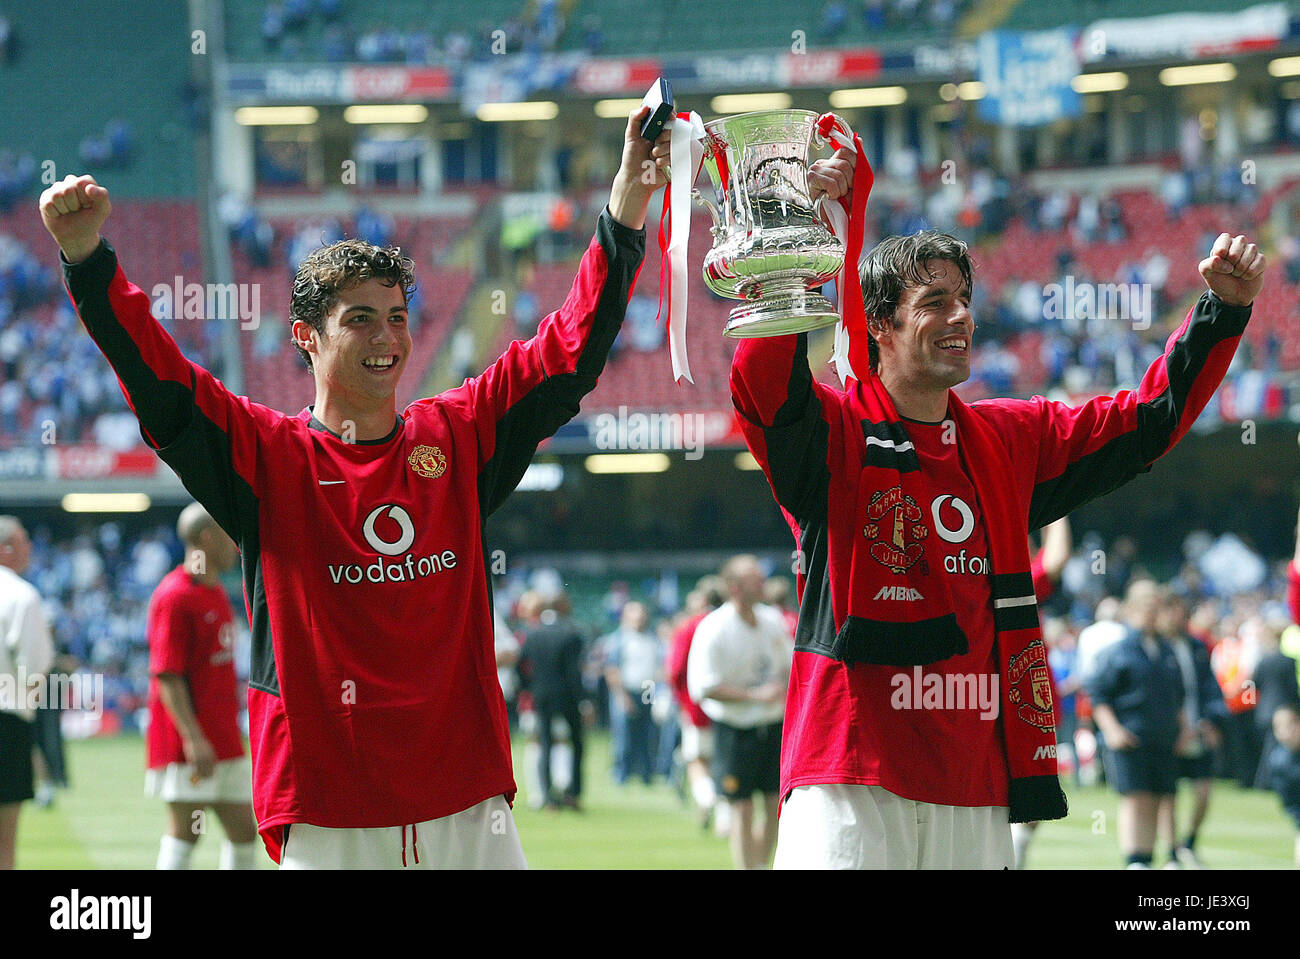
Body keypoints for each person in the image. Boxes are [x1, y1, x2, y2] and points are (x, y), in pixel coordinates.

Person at [42, 108, 670, 868]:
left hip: (468, 802)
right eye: (361, 320)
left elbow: (567, 350)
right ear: (306, 336)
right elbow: (165, 386)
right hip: (330, 810)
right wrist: (88, 259)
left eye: (398, 318)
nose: (388, 340)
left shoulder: (458, 434)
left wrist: (628, 202)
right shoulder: (266, 457)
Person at [731, 141, 1265, 868]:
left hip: (973, 782)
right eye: (933, 303)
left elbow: (1144, 422)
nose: (960, 317)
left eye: (964, 301)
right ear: (878, 325)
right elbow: (766, 385)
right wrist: (793, 237)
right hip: (848, 773)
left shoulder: (1010, 439)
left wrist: (1221, 314)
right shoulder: (834, 432)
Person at [145, 503, 258, 870]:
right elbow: (167, 674)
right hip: (189, 742)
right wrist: (193, 737)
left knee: (243, 830)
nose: (235, 544)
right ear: (206, 538)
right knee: (186, 831)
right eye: (227, 534)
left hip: (223, 737)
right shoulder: (175, 595)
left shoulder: (214, 591)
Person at [687, 555, 791, 870]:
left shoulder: (772, 619)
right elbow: (703, 687)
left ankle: (760, 865)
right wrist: (753, 696)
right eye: (755, 579)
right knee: (741, 807)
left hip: (772, 724)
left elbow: (789, 665)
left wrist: (781, 690)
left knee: (775, 805)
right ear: (735, 587)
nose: (763, 583)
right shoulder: (714, 628)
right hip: (735, 729)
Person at [1088, 579, 1190, 869]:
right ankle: (1135, 858)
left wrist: (1183, 729)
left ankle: (1148, 856)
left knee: (1160, 797)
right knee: (1135, 799)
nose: (1152, 613)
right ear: (1132, 609)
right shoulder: (1118, 650)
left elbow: (1178, 694)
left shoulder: (1167, 650)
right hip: (1132, 735)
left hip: (1163, 736)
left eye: (1156, 607)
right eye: (1146, 607)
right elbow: (1098, 694)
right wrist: (1112, 730)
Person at [1156, 588, 1226, 870]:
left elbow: (1211, 687)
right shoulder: (1156, 647)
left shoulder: (1197, 647)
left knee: (1204, 793)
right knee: (1168, 796)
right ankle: (1172, 853)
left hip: (1198, 729)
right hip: (1170, 734)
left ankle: (1190, 843)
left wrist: (1212, 721)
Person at [0, 517, 54, 870]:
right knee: (4, 843)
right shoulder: (22, 595)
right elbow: (34, 666)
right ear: (5, 549)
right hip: (7, 720)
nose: (29, 547)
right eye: (22, 541)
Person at [518, 593, 587, 810]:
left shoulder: (533, 634)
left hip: (542, 695)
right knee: (576, 743)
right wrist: (583, 700)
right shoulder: (571, 634)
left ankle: (548, 797)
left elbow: (521, 666)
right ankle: (573, 794)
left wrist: (529, 688)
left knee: (545, 744)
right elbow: (574, 673)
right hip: (567, 695)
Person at [601, 601, 662, 786]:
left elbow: (655, 669)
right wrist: (622, 697)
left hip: (646, 691)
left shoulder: (651, 639)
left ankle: (646, 774)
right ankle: (622, 774)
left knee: (647, 736)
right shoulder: (618, 640)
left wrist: (651, 695)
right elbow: (612, 669)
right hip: (625, 692)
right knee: (624, 737)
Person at [1266, 703, 1300, 866]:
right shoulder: (1279, 762)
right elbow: (1290, 802)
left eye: (1287, 726)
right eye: (1277, 728)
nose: (1282, 732)